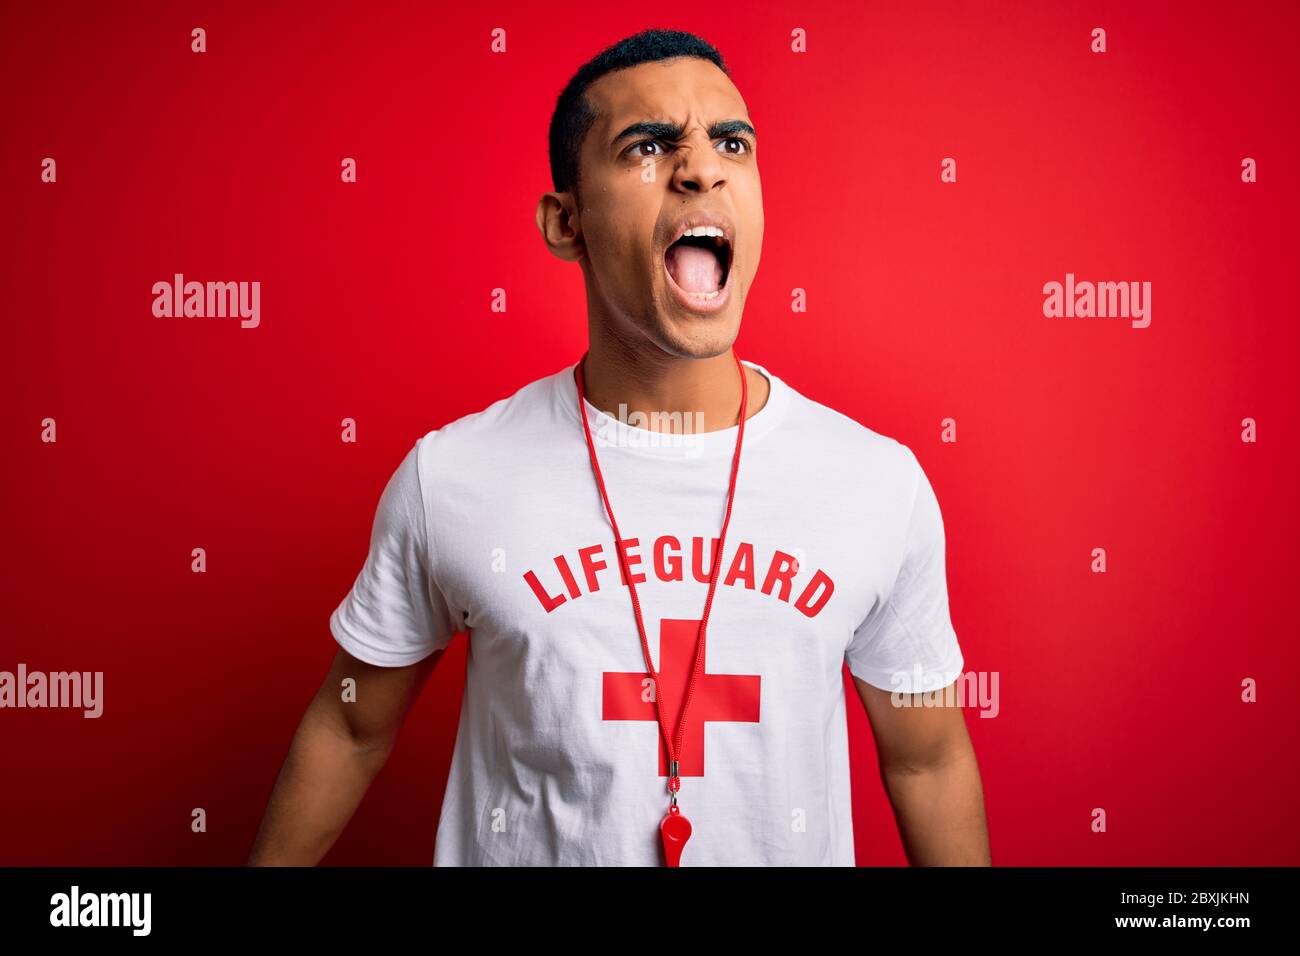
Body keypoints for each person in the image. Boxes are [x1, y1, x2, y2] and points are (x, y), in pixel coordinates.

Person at [248, 28, 990, 867]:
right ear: (567, 222)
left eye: (731, 142)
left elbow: (927, 758)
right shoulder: (451, 476)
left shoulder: (875, 484)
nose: (702, 167)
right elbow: (350, 726)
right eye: (649, 145)